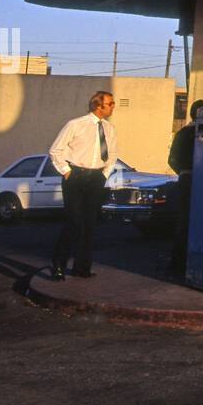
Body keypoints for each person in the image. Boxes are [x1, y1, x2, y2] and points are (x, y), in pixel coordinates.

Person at [49, 90, 118, 280]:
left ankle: (82, 268)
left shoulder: (110, 129)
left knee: (89, 225)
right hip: (76, 176)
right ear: (98, 105)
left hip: (96, 178)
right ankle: (58, 266)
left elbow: (112, 155)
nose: (113, 106)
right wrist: (66, 170)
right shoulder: (76, 124)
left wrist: (103, 174)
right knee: (73, 221)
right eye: (110, 103)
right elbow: (56, 149)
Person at [168, 99, 203, 277]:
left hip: (185, 178)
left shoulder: (182, 133)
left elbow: (172, 159)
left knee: (184, 222)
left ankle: (178, 263)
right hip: (201, 180)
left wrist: (183, 172)